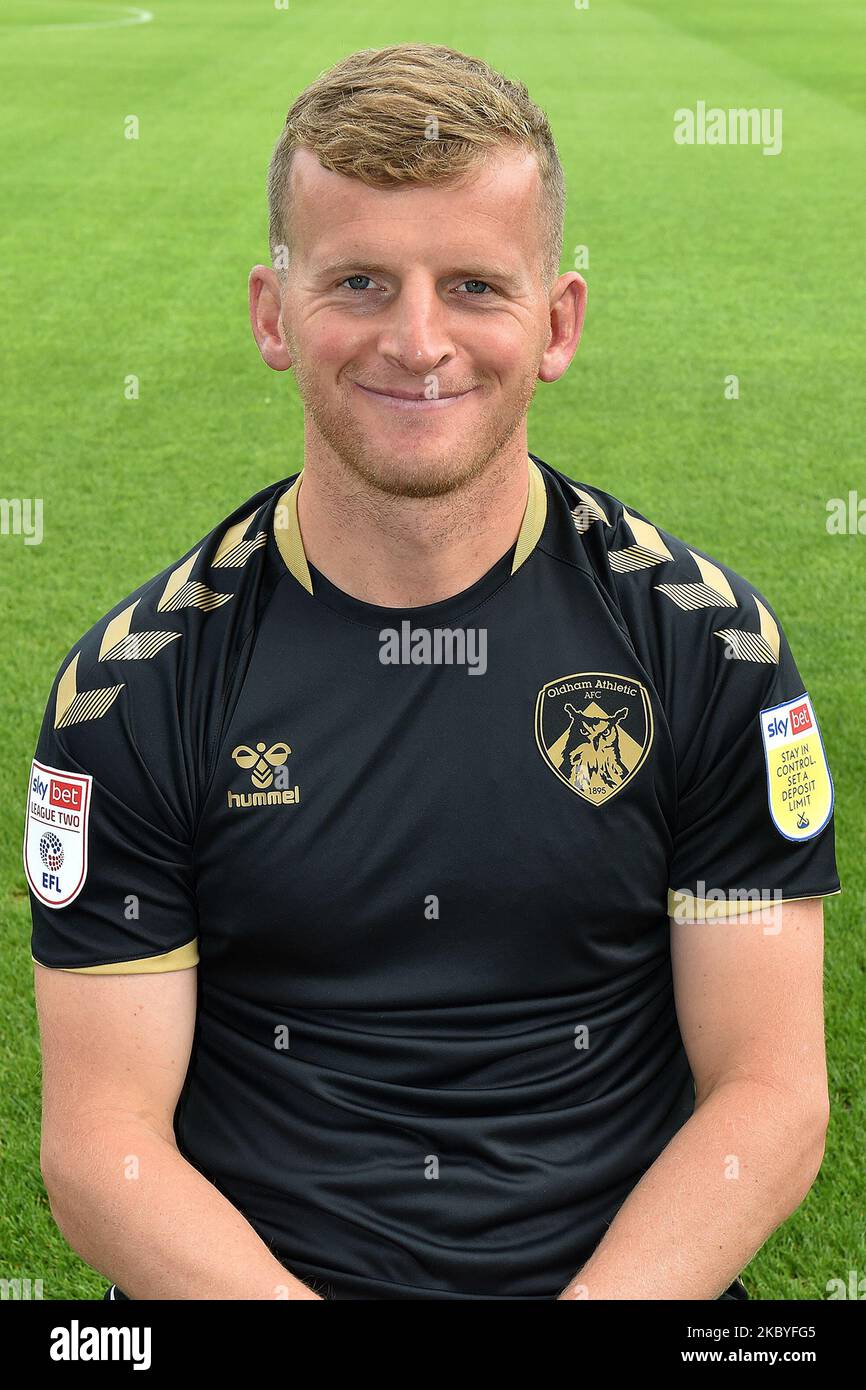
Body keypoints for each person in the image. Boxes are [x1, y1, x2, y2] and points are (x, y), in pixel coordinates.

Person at [26, 43, 839, 1302]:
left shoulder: (712, 649)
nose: (418, 342)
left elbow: (770, 1091)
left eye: (472, 285)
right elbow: (101, 1148)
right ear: (270, 313)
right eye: (358, 280)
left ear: (555, 322)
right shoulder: (133, 692)